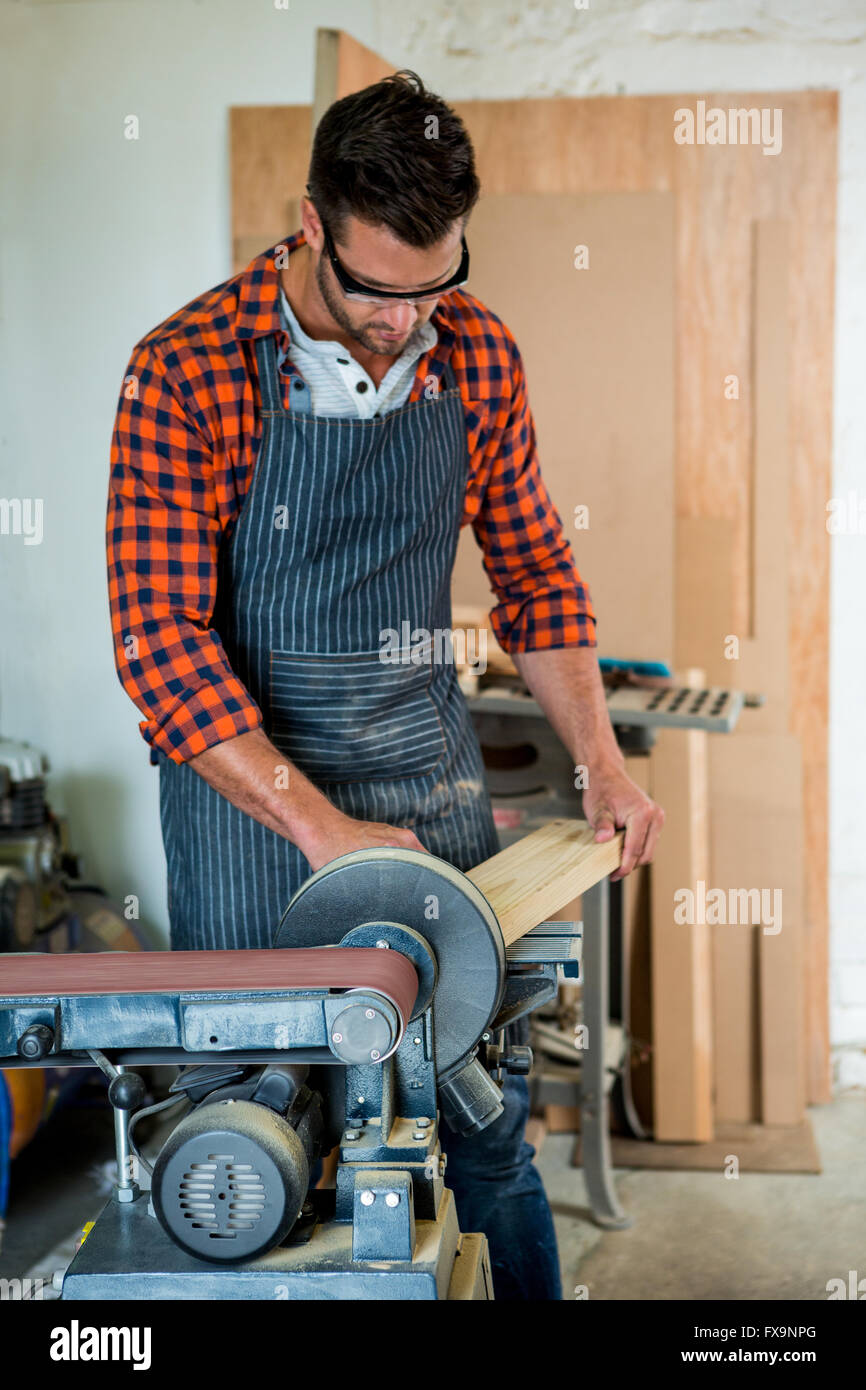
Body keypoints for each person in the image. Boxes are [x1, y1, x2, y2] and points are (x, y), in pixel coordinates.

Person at [107, 70, 664, 1300]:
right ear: (310, 224)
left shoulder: (474, 353)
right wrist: (323, 833)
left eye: (432, 286)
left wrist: (601, 763)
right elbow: (157, 644)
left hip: (427, 792)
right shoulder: (187, 369)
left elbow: (536, 577)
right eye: (374, 289)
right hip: (253, 823)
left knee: (481, 1131)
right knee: (268, 1151)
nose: (403, 321)